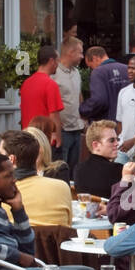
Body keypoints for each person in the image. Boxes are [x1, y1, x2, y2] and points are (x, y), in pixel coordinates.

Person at [0, 130, 71, 225]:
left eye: (0, 155)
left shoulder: (1, 194)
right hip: (57, 239)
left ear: (11, 159)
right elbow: (69, 224)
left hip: (16, 239)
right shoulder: (62, 187)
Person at [53, 37, 84, 178]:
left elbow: (79, 95)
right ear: (71, 52)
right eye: (80, 53)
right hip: (63, 131)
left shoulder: (76, 72)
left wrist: (83, 117)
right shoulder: (54, 73)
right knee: (60, 170)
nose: (82, 57)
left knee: (74, 171)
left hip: (77, 128)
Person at [19, 45, 63, 136]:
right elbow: (54, 115)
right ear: (51, 61)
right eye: (57, 61)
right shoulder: (50, 84)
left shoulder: (26, 83)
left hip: (27, 135)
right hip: (44, 137)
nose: (58, 64)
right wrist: (57, 136)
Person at [80, 46, 129, 123]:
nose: (91, 69)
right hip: (128, 121)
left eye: (90, 66)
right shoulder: (127, 69)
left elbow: (99, 100)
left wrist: (83, 110)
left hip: (108, 123)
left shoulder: (98, 72)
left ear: (95, 58)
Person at [74, 120, 123, 198]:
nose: (117, 143)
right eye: (111, 140)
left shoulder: (78, 169)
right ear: (96, 145)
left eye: (117, 139)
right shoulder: (118, 170)